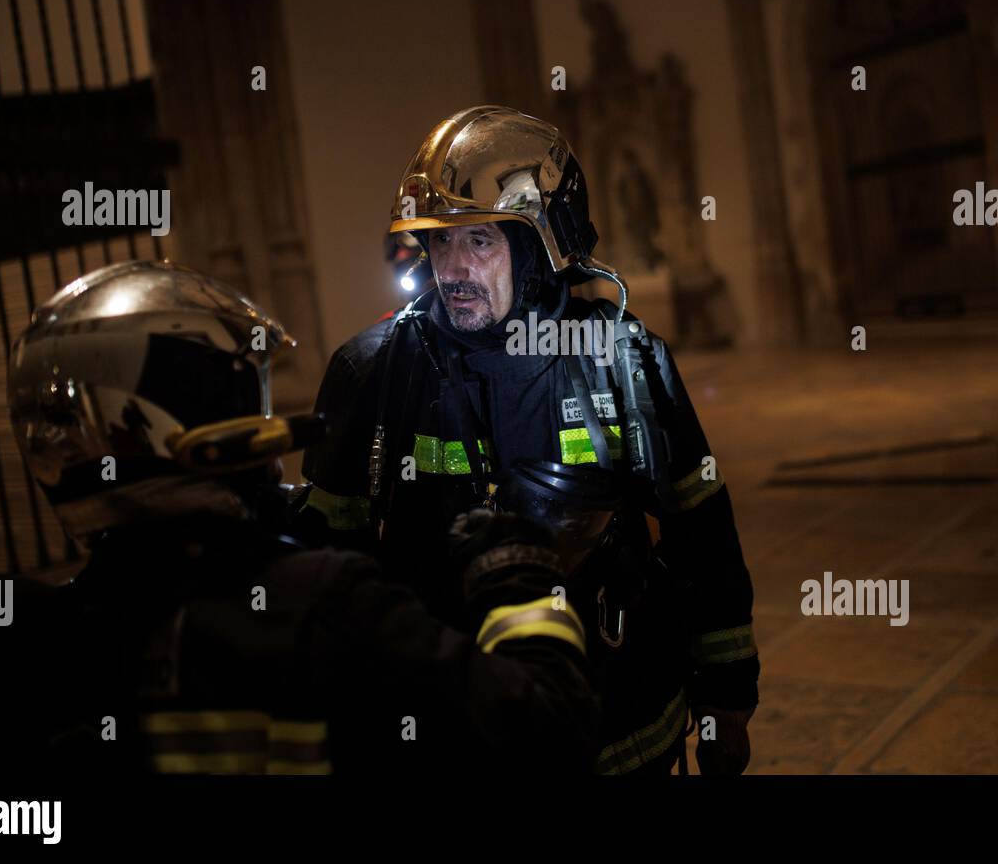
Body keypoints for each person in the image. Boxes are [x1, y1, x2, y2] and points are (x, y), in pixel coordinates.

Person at [0, 260, 597, 774]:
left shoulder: (41, 640)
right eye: (239, 396)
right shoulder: (325, 603)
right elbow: (549, 731)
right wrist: (519, 582)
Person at [293, 105, 759, 774]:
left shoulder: (621, 357)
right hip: (450, 730)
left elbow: (701, 528)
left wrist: (727, 692)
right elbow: (329, 561)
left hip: (621, 724)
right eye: (439, 241)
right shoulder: (375, 372)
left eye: (479, 240)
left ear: (543, 245)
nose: (451, 267)